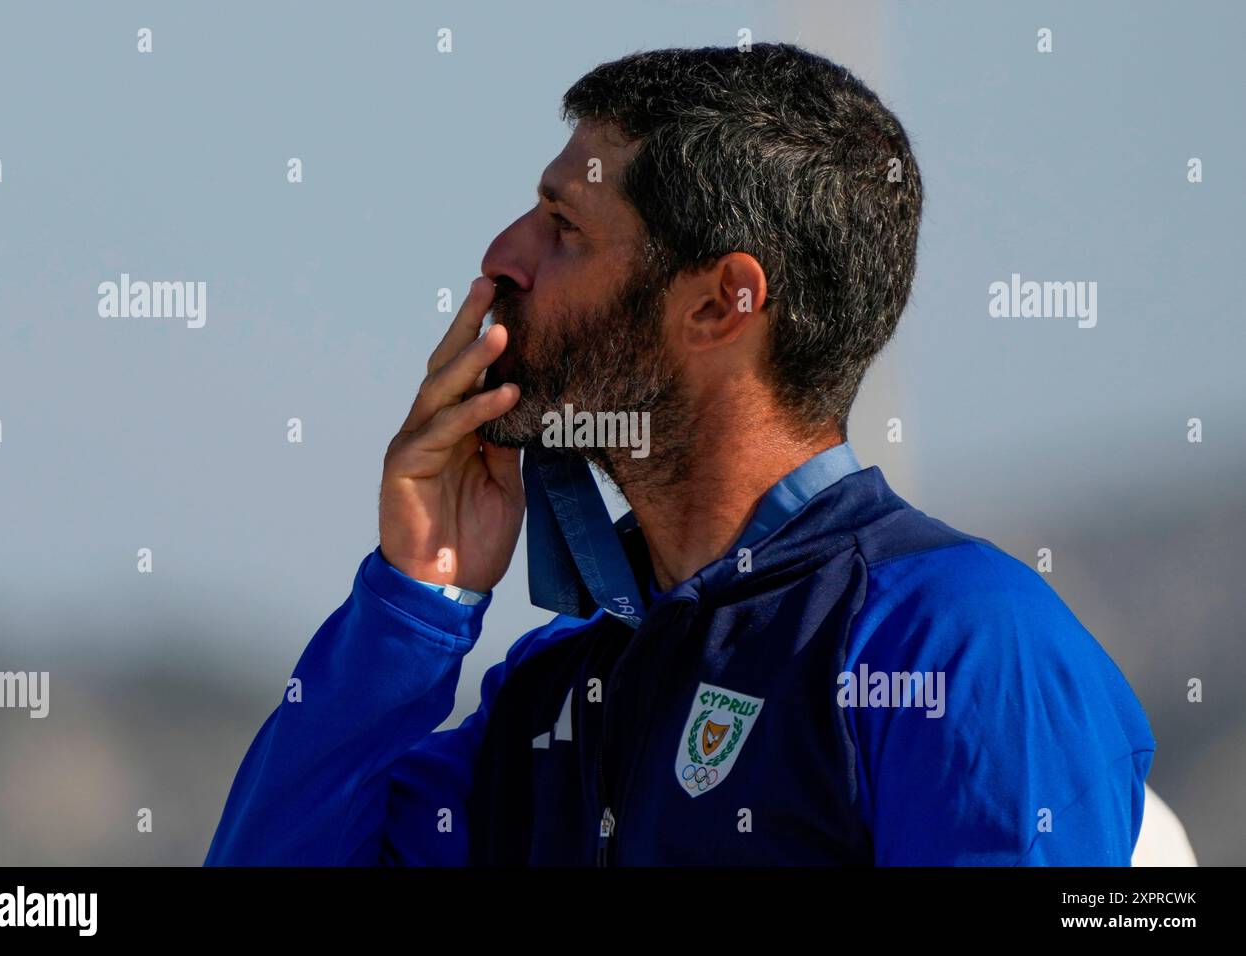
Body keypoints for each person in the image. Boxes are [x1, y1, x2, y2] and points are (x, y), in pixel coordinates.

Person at [205, 43, 1155, 866]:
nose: (501, 257)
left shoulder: (960, 645)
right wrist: (414, 602)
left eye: (564, 227)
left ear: (717, 303)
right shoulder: (552, 692)